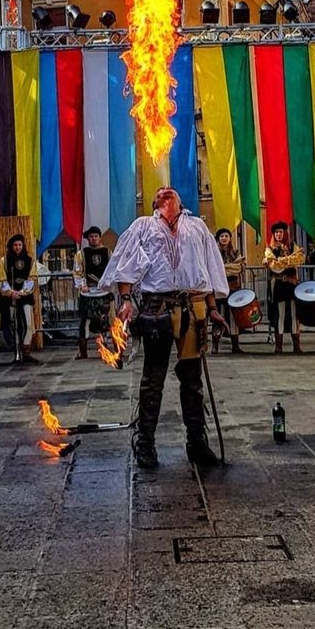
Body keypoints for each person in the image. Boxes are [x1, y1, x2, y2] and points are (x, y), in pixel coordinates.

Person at [99, 186, 229, 470]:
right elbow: (126, 266)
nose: (165, 191)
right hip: (157, 308)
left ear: (180, 201)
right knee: (153, 378)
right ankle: (145, 443)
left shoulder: (196, 226)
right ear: (154, 203)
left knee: (192, 379)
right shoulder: (143, 226)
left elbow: (207, 267)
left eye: (171, 191)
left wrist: (213, 308)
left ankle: (197, 443)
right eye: (160, 192)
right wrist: (125, 300)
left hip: (193, 307)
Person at [0, 234, 41, 364]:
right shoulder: (4, 261)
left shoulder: (30, 260)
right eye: (15, 245)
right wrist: (11, 292)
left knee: (28, 324)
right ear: (11, 247)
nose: (17, 247)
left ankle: (26, 352)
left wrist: (22, 292)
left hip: (25, 297)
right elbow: (2, 278)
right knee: (13, 325)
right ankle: (16, 351)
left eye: (20, 245)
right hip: (9, 297)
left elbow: (32, 278)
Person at [264, 222, 305, 354]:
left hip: (292, 284)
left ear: (285, 233)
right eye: (276, 232)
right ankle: (279, 346)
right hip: (279, 285)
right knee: (280, 314)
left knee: (294, 314)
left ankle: (296, 346)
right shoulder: (270, 249)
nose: (278, 234)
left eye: (280, 232)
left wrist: (282, 261)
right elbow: (274, 265)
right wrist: (288, 261)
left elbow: (299, 259)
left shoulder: (293, 246)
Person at [73, 226, 112, 359]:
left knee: (104, 321)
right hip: (87, 294)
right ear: (88, 239)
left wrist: (107, 284)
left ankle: (105, 350)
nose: (94, 239)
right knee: (85, 322)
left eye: (96, 236)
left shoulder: (108, 252)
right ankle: (83, 352)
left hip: (103, 293)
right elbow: (77, 271)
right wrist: (82, 285)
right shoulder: (81, 254)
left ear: (100, 237)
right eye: (91, 237)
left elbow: (112, 271)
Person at [213, 228, 245, 354]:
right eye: (222, 236)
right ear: (218, 239)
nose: (224, 238)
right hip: (219, 288)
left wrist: (223, 269)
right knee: (218, 316)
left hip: (233, 287)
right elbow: (213, 268)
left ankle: (235, 345)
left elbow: (239, 267)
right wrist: (229, 268)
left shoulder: (235, 252)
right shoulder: (214, 253)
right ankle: (215, 345)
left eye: (226, 236)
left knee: (233, 316)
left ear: (230, 238)